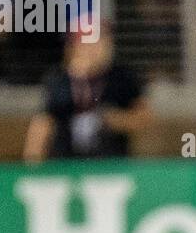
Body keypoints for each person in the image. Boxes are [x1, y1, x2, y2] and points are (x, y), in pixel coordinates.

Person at [24, 21, 152, 163]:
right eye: (87, 42)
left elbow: (144, 118)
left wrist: (118, 120)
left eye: (100, 41)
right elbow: (43, 124)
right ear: (75, 46)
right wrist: (33, 164)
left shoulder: (122, 77)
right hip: (65, 163)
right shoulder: (60, 79)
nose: (94, 48)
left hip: (111, 164)